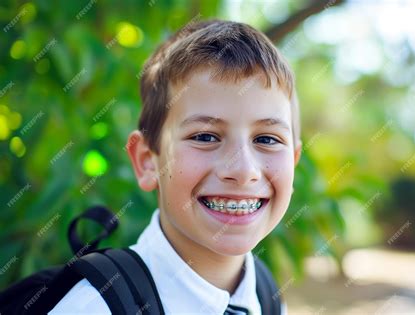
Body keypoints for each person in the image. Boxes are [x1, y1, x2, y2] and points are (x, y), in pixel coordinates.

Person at [50, 19, 302, 314]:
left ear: (293, 161)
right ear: (147, 161)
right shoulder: (92, 308)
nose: (244, 170)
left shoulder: (266, 296)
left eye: (267, 139)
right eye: (205, 136)